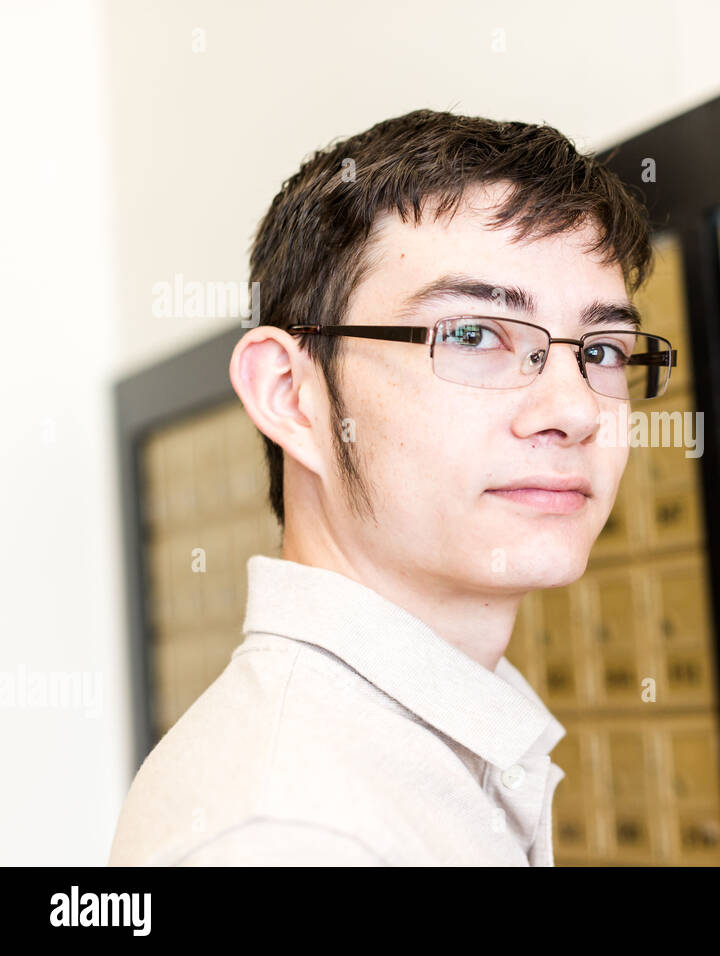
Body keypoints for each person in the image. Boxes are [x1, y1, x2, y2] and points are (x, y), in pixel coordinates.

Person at [108, 109, 669, 865]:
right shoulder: (287, 835)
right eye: (472, 335)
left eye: (602, 349)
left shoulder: (432, 756)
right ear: (288, 392)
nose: (574, 410)